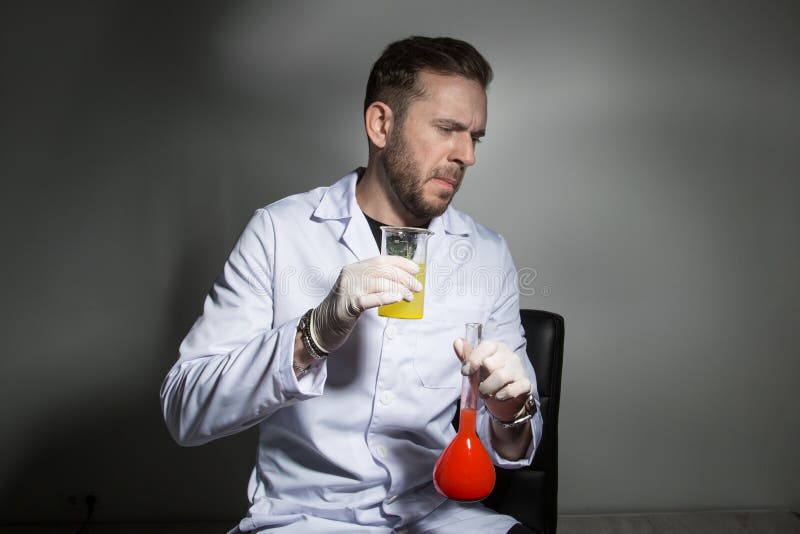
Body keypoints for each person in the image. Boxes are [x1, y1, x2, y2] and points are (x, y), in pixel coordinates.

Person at [160, 36, 543, 534]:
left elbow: (512, 451)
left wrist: (511, 410)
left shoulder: (487, 254)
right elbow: (185, 409)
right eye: (448, 129)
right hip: (306, 520)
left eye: (476, 136)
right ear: (381, 124)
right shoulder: (281, 233)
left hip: (439, 514)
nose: (467, 154)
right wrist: (311, 336)